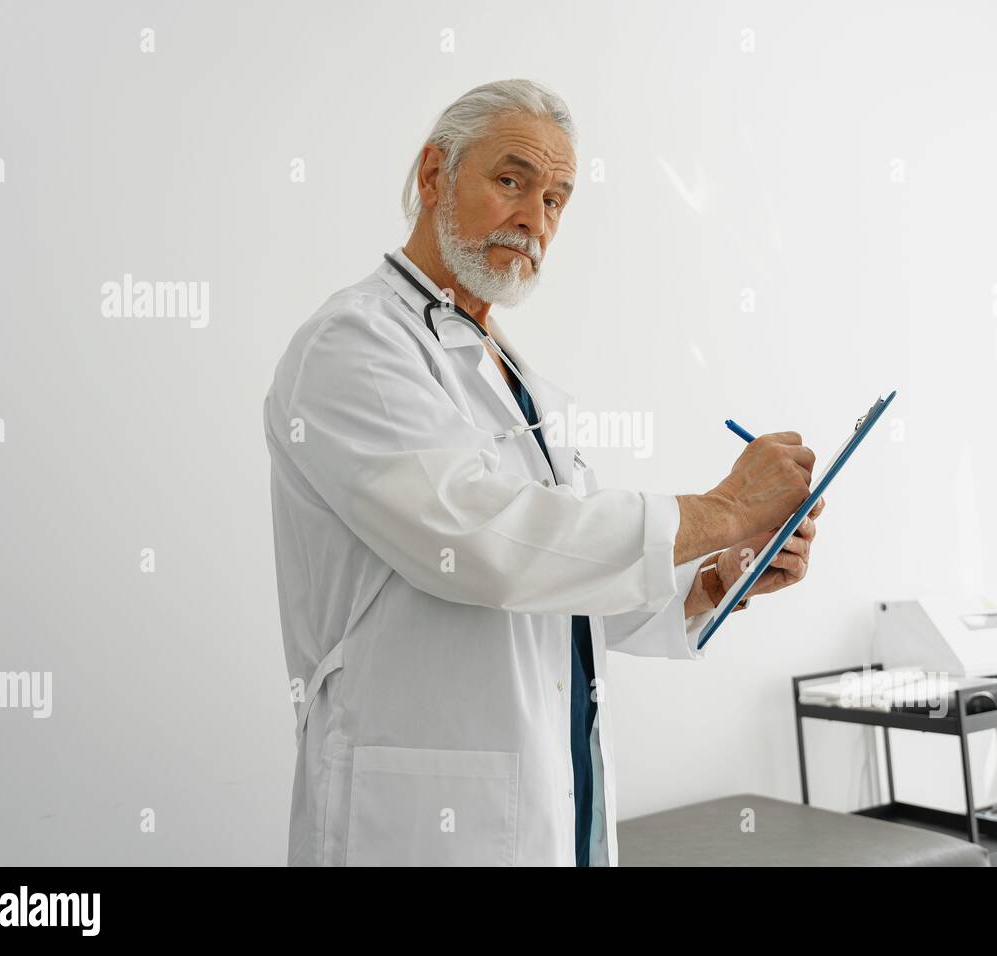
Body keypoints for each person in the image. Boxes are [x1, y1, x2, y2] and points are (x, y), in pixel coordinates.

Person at [264, 79, 824, 866]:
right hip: (416, 818)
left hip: (546, 800)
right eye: (511, 181)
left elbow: (567, 584)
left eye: (557, 198)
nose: (535, 218)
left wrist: (713, 578)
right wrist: (727, 506)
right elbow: (491, 546)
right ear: (434, 176)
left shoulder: (507, 373)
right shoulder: (353, 344)